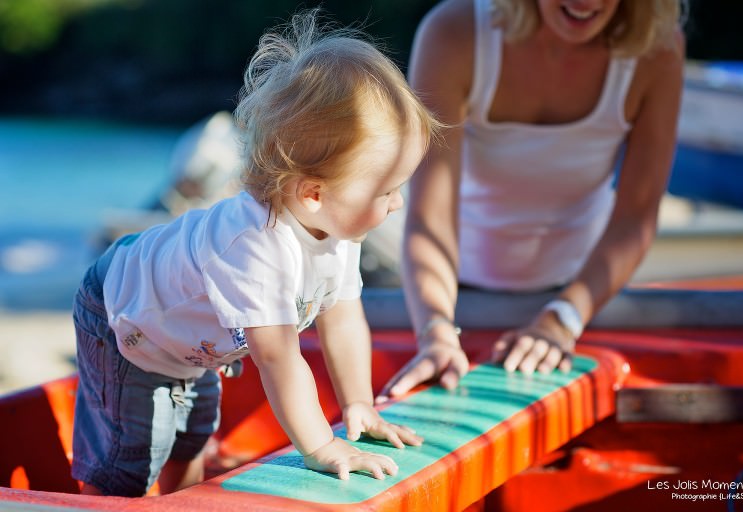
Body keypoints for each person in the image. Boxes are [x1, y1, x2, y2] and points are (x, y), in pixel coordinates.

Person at [71, 9, 440, 497]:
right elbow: (279, 358)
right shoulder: (255, 248)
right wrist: (321, 446)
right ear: (313, 193)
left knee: (194, 431)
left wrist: (359, 405)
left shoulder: (339, 230)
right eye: (387, 190)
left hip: (188, 340)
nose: (398, 204)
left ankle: (182, 503)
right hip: (125, 314)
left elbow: (344, 320)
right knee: (131, 451)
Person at [378, 0, 684, 399]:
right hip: (450, 296)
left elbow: (636, 218)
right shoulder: (454, 31)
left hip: (583, 297)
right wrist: (435, 330)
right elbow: (429, 217)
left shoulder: (657, 48)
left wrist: (563, 318)